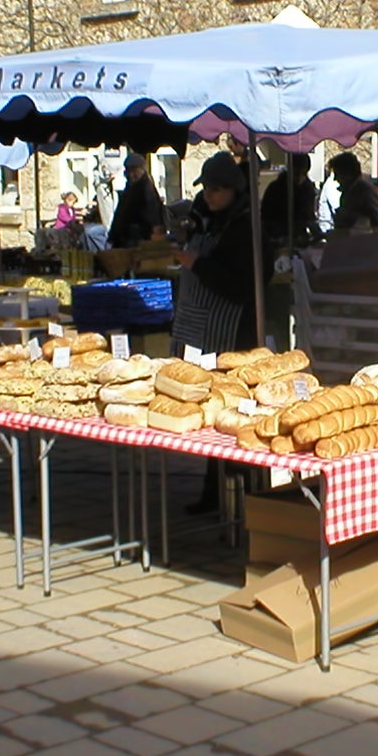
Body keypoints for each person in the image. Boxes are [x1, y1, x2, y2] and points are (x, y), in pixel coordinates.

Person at [172, 151, 263, 514]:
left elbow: (240, 283)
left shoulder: (244, 227)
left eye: (216, 189)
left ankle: (243, 494)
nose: (208, 195)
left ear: (233, 189)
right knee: (212, 411)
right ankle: (213, 492)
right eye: (206, 188)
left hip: (233, 334)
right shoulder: (209, 219)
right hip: (204, 331)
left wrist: (198, 264)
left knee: (233, 411)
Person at [260, 152, 318, 248]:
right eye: (296, 173)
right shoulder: (275, 188)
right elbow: (266, 219)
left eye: (303, 173)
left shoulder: (308, 188)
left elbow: (309, 215)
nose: (299, 177)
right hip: (278, 240)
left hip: (300, 239)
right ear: (289, 170)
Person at [109, 152, 166, 249]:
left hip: (139, 244)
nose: (130, 175)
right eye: (128, 171)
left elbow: (152, 221)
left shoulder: (146, 191)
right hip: (128, 242)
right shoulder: (130, 189)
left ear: (143, 170)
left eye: (134, 170)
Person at [326, 151, 378, 234]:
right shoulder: (352, 189)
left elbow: (376, 220)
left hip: (363, 241)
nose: (335, 179)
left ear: (347, 173)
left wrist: (346, 217)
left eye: (337, 174)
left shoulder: (364, 189)